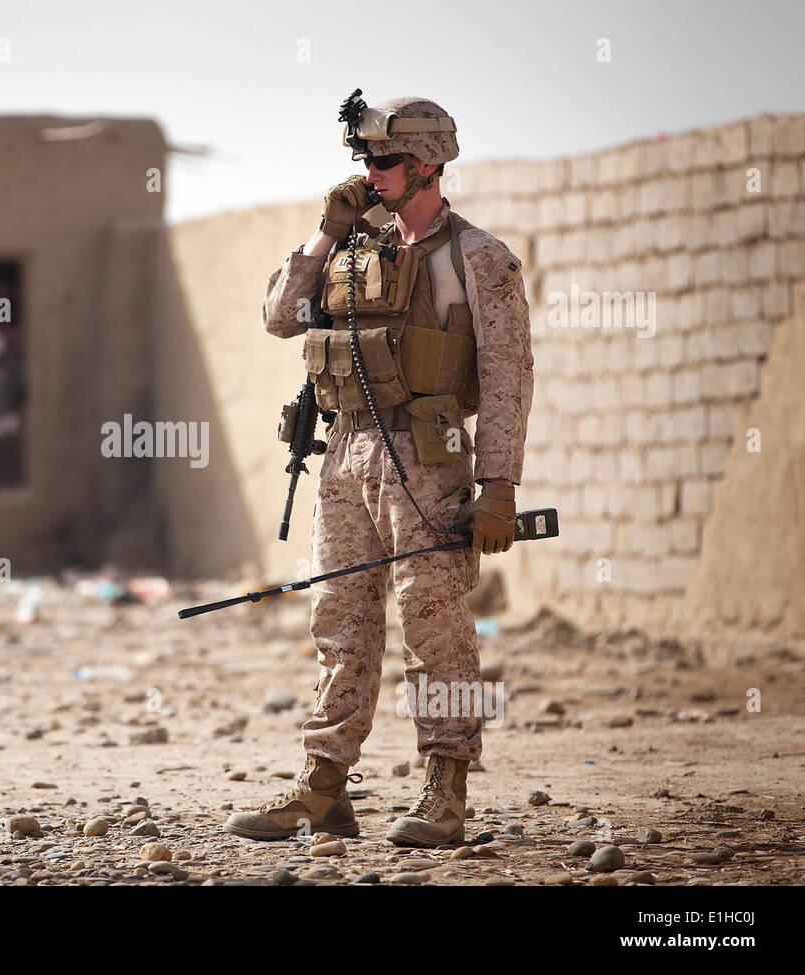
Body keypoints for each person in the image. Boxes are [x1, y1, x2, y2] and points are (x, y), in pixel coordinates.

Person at [226, 95, 534, 847]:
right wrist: (327, 229)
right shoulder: (348, 244)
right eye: (364, 159)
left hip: (427, 459)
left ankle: (446, 785)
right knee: (338, 619)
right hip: (346, 453)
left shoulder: (478, 257)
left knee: (436, 622)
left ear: (429, 162)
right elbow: (278, 314)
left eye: (385, 160)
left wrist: (499, 485)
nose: (371, 172)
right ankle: (325, 783)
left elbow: (507, 374)